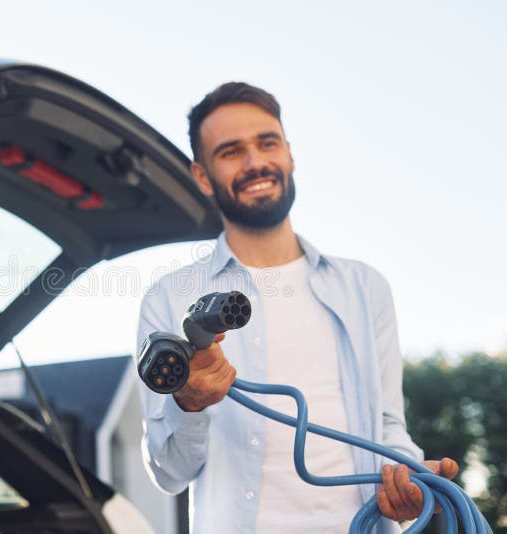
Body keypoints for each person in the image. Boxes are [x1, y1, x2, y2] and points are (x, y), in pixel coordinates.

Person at [137, 82, 459, 534]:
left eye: (267, 143)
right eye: (231, 151)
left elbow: (388, 428)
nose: (255, 162)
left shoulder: (365, 288)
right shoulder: (168, 298)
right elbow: (169, 474)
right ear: (203, 177)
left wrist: (407, 480)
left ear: (289, 153)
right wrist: (188, 405)